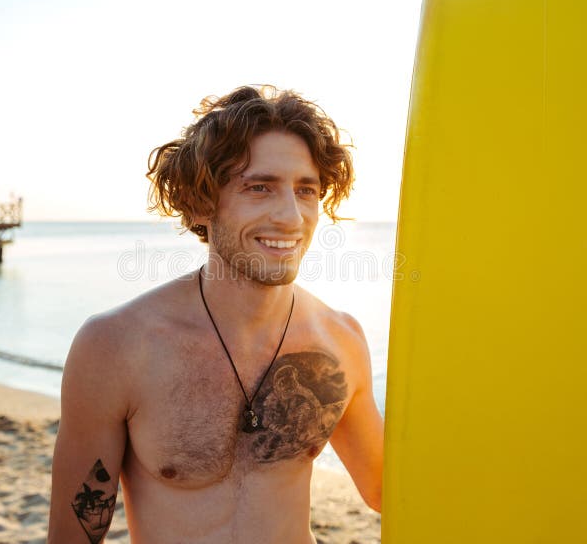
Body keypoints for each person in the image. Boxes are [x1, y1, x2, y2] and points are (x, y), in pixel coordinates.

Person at [48, 85, 384, 543]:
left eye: (306, 191)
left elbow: (387, 491)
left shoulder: (339, 340)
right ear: (202, 202)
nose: (291, 216)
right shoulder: (117, 346)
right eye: (259, 187)